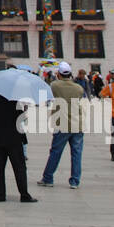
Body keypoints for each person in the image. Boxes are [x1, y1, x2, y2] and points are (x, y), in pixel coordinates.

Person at [0, 88, 36, 203]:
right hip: (14, 140)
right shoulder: (15, 103)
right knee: (19, 168)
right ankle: (24, 195)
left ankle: (0, 195)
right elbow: (22, 120)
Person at [39, 61, 84, 190]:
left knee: (56, 152)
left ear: (58, 74)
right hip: (77, 124)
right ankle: (75, 181)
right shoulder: (78, 88)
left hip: (62, 123)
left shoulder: (54, 85)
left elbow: (47, 96)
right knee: (76, 153)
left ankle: (48, 178)